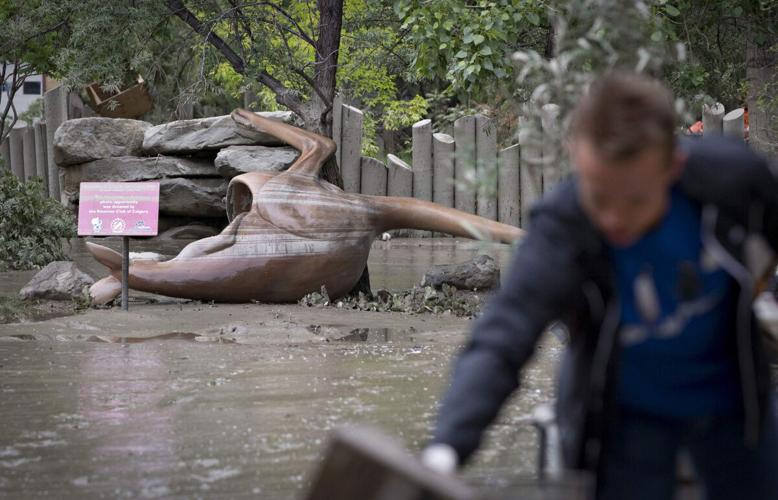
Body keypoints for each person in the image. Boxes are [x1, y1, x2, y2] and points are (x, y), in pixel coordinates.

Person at [422, 72, 778, 500]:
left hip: (734, 402)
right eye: (599, 196)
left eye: (634, 201)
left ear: (674, 166)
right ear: (577, 160)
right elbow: (504, 333)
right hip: (623, 417)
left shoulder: (736, 182)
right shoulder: (563, 225)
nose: (612, 219)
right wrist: (445, 450)